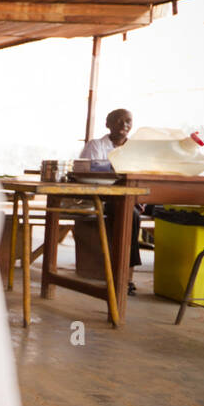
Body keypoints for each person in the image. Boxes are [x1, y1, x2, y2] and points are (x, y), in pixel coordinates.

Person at [80, 108, 141, 289]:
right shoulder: (96, 146)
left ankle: (124, 273)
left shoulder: (135, 149)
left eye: (128, 121)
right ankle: (126, 276)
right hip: (104, 198)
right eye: (119, 120)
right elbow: (87, 175)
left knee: (163, 210)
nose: (124, 124)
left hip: (130, 196)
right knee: (131, 215)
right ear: (108, 124)